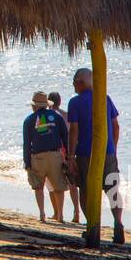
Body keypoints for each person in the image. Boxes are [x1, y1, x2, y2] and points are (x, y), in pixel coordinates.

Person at [67, 68, 126, 244]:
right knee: (112, 190)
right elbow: (116, 126)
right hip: (107, 151)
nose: (73, 85)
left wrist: (70, 156)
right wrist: (113, 148)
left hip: (85, 153)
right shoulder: (104, 98)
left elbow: (74, 131)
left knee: (85, 190)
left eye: (74, 82)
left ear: (80, 82)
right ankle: (118, 223)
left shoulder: (75, 102)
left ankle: (92, 225)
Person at [22, 91, 70, 222]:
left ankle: (42, 214)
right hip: (55, 155)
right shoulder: (56, 116)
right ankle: (60, 215)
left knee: (38, 186)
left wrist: (27, 162)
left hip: (38, 157)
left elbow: (27, 143)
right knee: (59, 187)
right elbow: (65, 136)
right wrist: (68, 157)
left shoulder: (29, 120)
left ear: (35, 106)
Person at [49, 91, 81, 224]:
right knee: (72, 183)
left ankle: (57, 212)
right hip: (69, 150)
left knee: (52, 181)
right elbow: (74, 133)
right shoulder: (67, 115)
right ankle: (76, 212)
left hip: (57, 150)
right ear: (60, 102)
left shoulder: (50, 116)